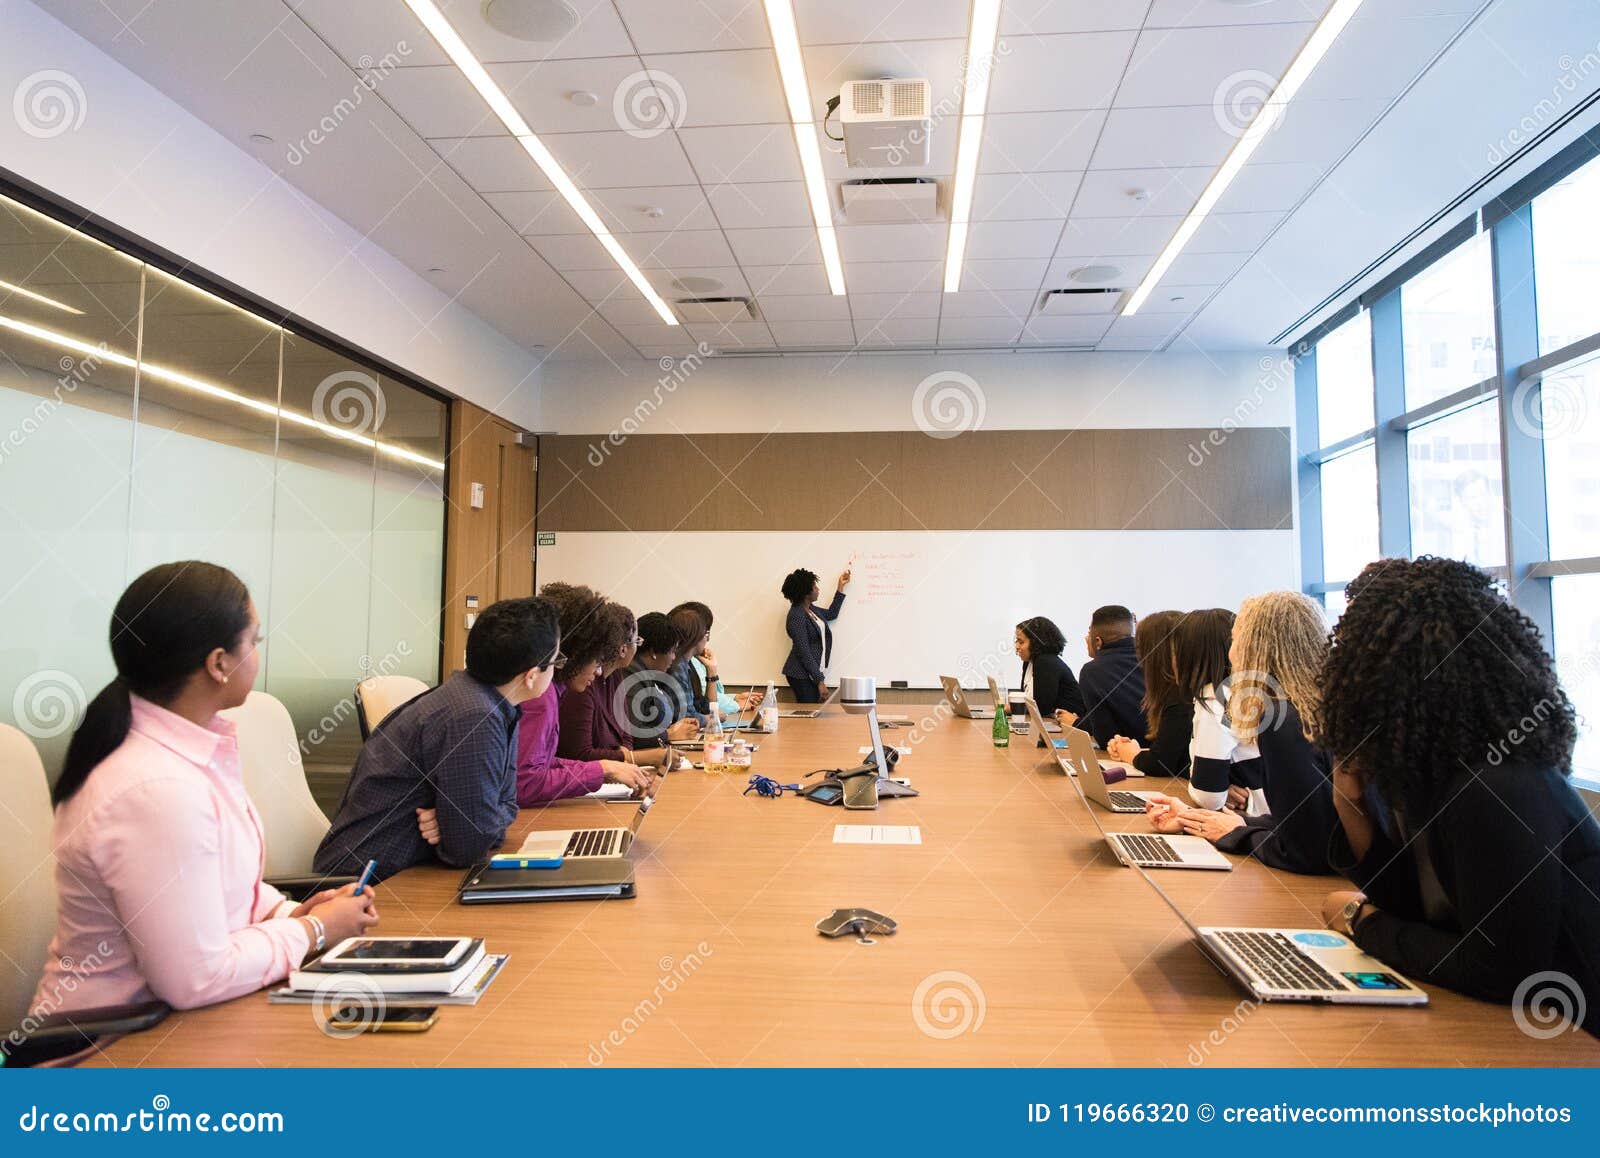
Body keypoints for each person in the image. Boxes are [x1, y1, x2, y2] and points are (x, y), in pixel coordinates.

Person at [33, 561, 378, 1016]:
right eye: (253, 641)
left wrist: (289, 913)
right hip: (113, 1050)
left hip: (185, 1023)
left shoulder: (187, 754)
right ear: (218, 663)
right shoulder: (156, 788)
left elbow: (225, 890)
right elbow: (196, 978)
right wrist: (313, 930)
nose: (258, 653)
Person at [1316, 557, 1599, 1034]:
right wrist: (1350, 799)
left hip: (1575, 1039)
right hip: (1543, 1023)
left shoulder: (1499, 784)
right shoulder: (1441, 773)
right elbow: (1423, 910)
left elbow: (1502, 971)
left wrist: (1362, 922)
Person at [316, 595, 560, 878]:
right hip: (365, 886)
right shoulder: (475, 716)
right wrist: (467, 824)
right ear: (530, 675)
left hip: (404, 871)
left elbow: (506, 805)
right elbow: (469, 848)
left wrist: (457, 821)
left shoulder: (489, 702)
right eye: (557, 660)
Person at [1153, 593, 1339, 875]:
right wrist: (1210, 820)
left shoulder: (1285, 723)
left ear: (1256, 649)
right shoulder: (1321, 706)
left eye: (1237, 640)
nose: (1230, 652)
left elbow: (1306, 853)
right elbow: (1311, 825)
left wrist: (1237, 835)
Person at [517, 584, 656, 805]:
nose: (599, 670)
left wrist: (607, 768)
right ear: (577, 654)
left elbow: (542, 764)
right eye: (597, 660)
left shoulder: (553, 690)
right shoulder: (540, 697)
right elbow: (525, 783)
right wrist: (601, 768)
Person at [1140, 608, 1261, 825]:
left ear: (1192, 654)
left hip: (1251, 822)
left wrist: (1211, 787)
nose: (1172, 660)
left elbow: (1208, 798)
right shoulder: (1247, 690)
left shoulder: (1214, 700)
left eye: (1175, 651)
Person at [557, 602, 678, 771]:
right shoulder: (582, 685)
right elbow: (580, 754)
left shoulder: (615, 675)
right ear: (622, 649)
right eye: (637, 641)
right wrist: (631, 757)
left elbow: (626, 733)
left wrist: (626, 754)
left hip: (615, 773)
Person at [1106, 609, 1188, 777]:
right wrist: (1129, 749)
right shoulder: (1177, 693)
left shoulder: (1180, 699)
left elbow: (1159, 764)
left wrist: (1131, 754)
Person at [671, 600, 764, 720]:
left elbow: (705, 706)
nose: (708, 639)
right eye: (706, 632)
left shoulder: (688, 664)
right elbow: (688, 716)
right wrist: (713, 717)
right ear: (695, 634)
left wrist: (712, 671)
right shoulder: (678, 666)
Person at [621, 611, 701, 747]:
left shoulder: (646, 674)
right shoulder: (632, 677)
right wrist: (668, 734)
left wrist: (675, 728)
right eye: (672, 651)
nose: (674, 657)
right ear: (653, 652)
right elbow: (632, 734)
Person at [1071, 605, 1147, 747]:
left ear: (1098, 642)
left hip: (1127, 757)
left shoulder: (1092, 671)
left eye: (1089, 633)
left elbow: (1105, 736)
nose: (1086, 638)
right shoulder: (1152, 658)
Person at [781, 565, 850, 703]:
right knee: (809, 713)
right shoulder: (797, 615)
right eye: (815, 587)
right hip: (800, 674)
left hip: (810, 673)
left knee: (813, 713)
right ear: (806, 592)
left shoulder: (810, 610)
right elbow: (803, 651)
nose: (818, 590)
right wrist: (820, 681)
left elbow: (831, 613)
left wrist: (840, 587)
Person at [1015, 616, 1084, 717]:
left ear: (1036, 643)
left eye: (1021, 642)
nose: (1016, 646)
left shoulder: (1045, 662)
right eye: (1016, 641)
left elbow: (1042, 708)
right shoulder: (1029, 661)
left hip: (1069, 725)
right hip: (1050, 721)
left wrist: (1014, 707)